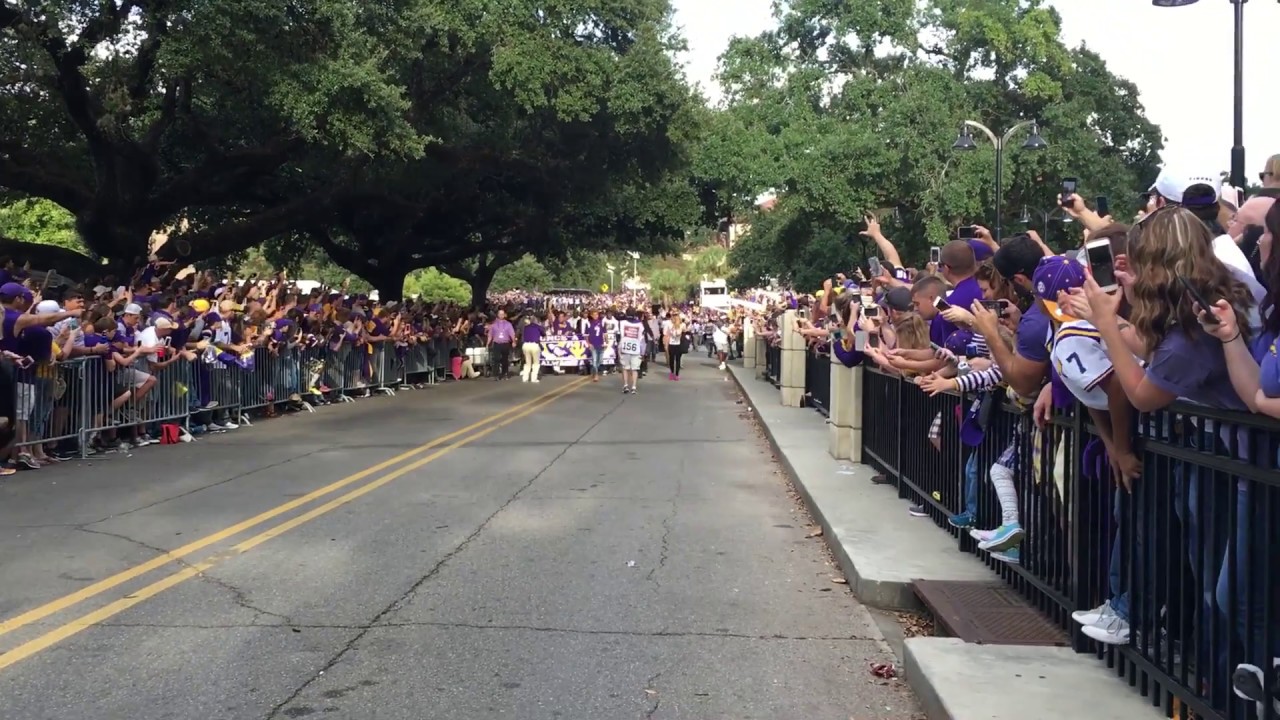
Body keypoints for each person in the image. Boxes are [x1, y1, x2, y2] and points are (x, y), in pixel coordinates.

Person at [616, 307, 645, 394]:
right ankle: (634, 386)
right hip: (636, 349)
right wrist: (643, 352)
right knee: (635, 369)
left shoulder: (622, 323)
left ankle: (625, 385)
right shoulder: (640, 324)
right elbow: (642, 339)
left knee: (625, 368)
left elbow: (618, 335)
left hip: (624, 347)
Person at [486, 309, 516, 380]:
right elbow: (490, 335)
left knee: (505, 360)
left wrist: (513, 341)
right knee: (496, 359)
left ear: (504, 315)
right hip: (497, 343)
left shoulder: (508, 324)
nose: (501, 315)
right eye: (500, 314)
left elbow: (512, 333)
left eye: (503, 314)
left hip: (505, 343)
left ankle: (504, 374)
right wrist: (487, 343)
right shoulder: (494, 325)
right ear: (498, 315)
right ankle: (496, 375)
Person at [520, 314, 544, 383]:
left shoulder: (526, 327)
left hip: (526, 345)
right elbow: (543, 333)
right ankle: (534, 378)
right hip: (534, 345)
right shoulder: (538, 327)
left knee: (527, 363)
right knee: (536, 363)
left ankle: (525, 378)